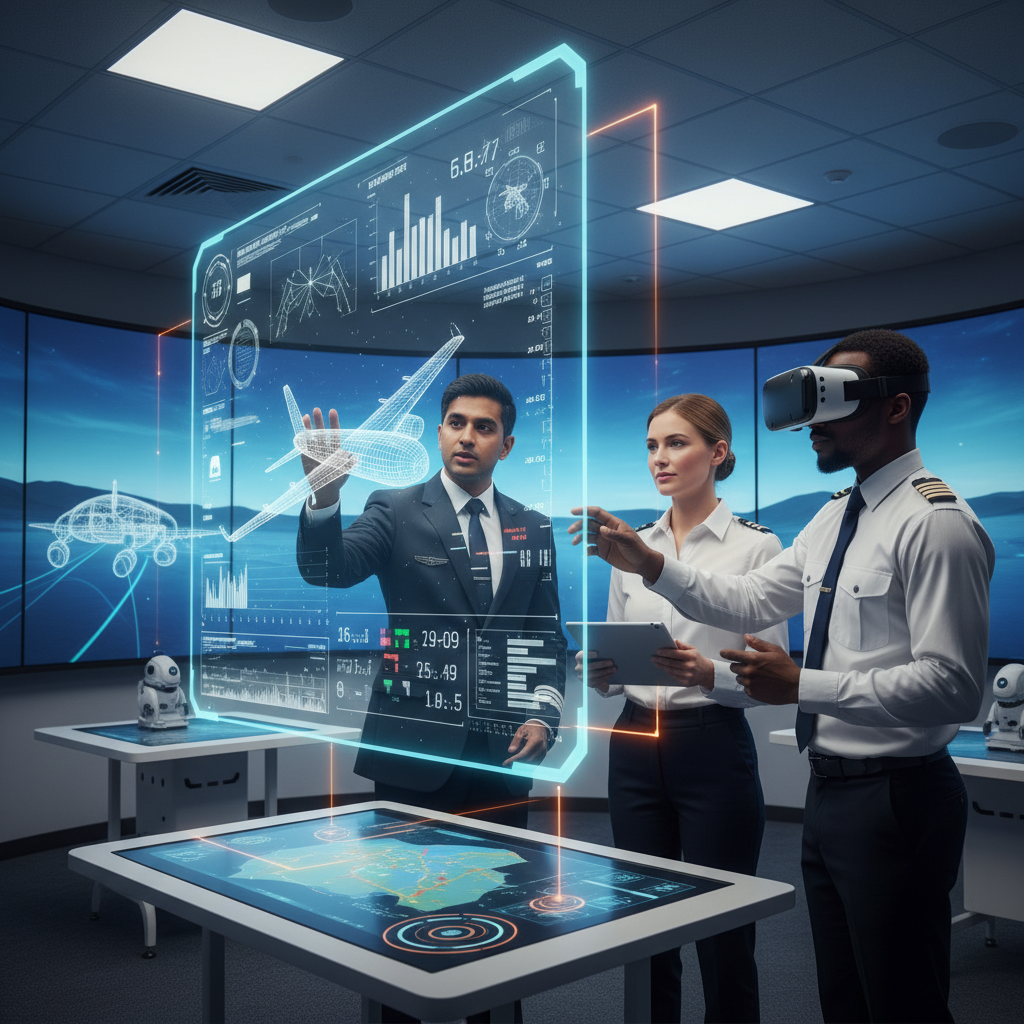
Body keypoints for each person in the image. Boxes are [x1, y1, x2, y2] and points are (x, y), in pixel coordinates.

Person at [570, 330, 995, 1024]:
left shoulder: (935, 523)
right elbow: (744, 601)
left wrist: (802, 685)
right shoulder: (831, 523)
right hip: (830, 790)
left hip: (900, 796)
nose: (811, 425)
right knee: (845, 1000)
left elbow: (954, 687)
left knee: (902, 1001)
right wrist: (646, 564)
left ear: (895, 408)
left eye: (831, 401)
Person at [579, 393, 786, 1024]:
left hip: (711, 743)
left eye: (676, 443)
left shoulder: (757, 546)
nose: (659, 458)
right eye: (651, 445)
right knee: (643, 922)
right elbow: (614, 654)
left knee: (724, 928)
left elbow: (774, 669)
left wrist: (712, 673)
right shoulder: (629, 546)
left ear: (718, 453)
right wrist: (603, 674)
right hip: (635, 742)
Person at [296, 373, 564, 831]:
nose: (466, 436)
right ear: (439, 433)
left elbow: (544, 637)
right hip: (413, 751)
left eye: (484, 427)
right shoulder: (394, 510)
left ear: (506, 445)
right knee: (406, 898)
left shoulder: (534, 527)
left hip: (502, 757)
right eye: (456, 423)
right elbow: (328, 570)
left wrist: (543, 716)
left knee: (503, 895)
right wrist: (325, 496)